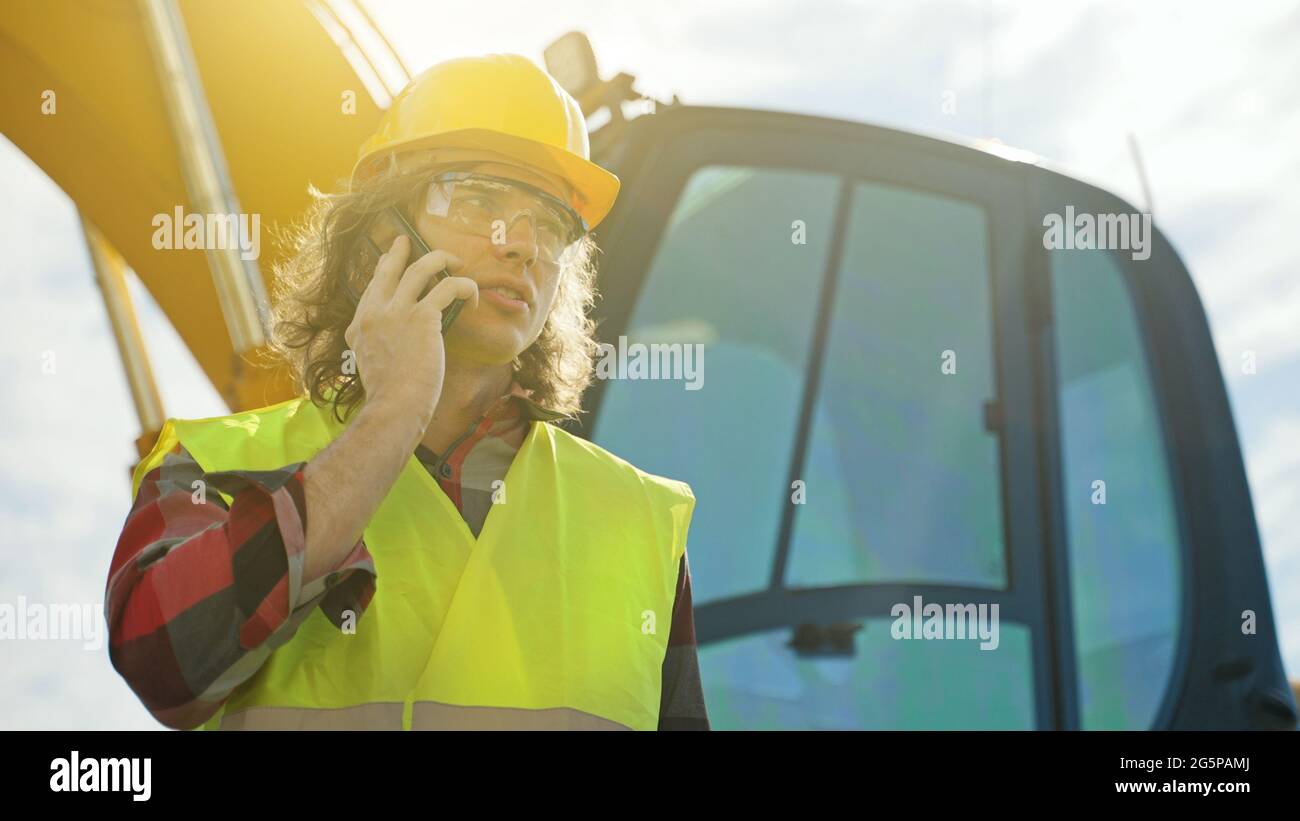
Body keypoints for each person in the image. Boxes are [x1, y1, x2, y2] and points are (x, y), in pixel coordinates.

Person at [104, 53, 708, 731]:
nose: (524, 246)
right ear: (380, 235)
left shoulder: (639, 522)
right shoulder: (210, 465)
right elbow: (160, 661)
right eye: (480, 199)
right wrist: (390, 416)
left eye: (551, 223)